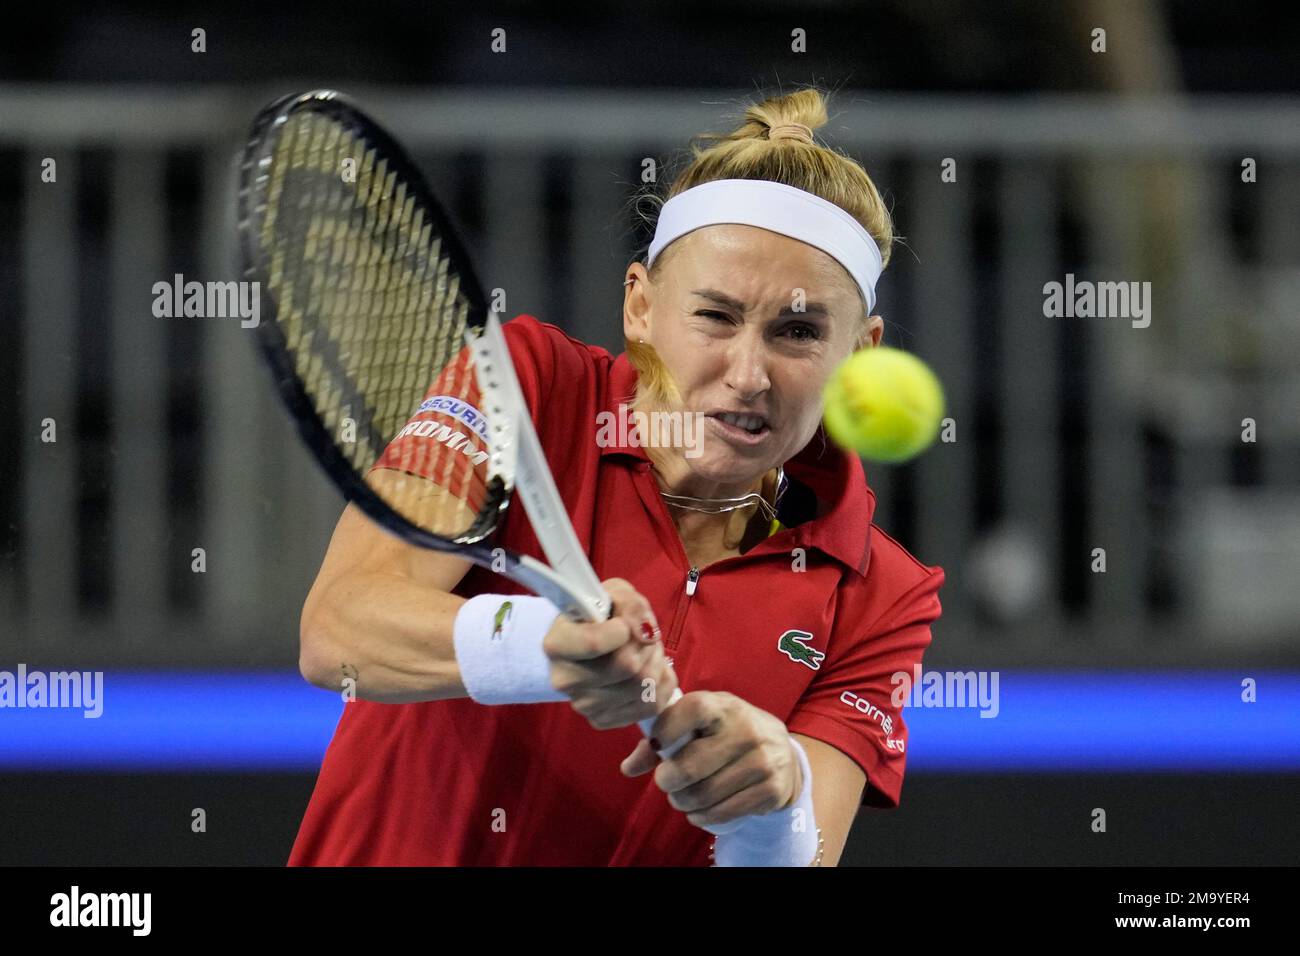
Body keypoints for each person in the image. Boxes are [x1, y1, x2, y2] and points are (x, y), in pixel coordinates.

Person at [288, 87, 944, 867]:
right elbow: (339, 634)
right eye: (715, 316)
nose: (748, 374)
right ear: (640, 307)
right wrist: (544, 646)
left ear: (861, 351)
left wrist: (770, 802)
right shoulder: (524, 386)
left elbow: (806, 851)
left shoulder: (884, 594)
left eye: (797, 332)